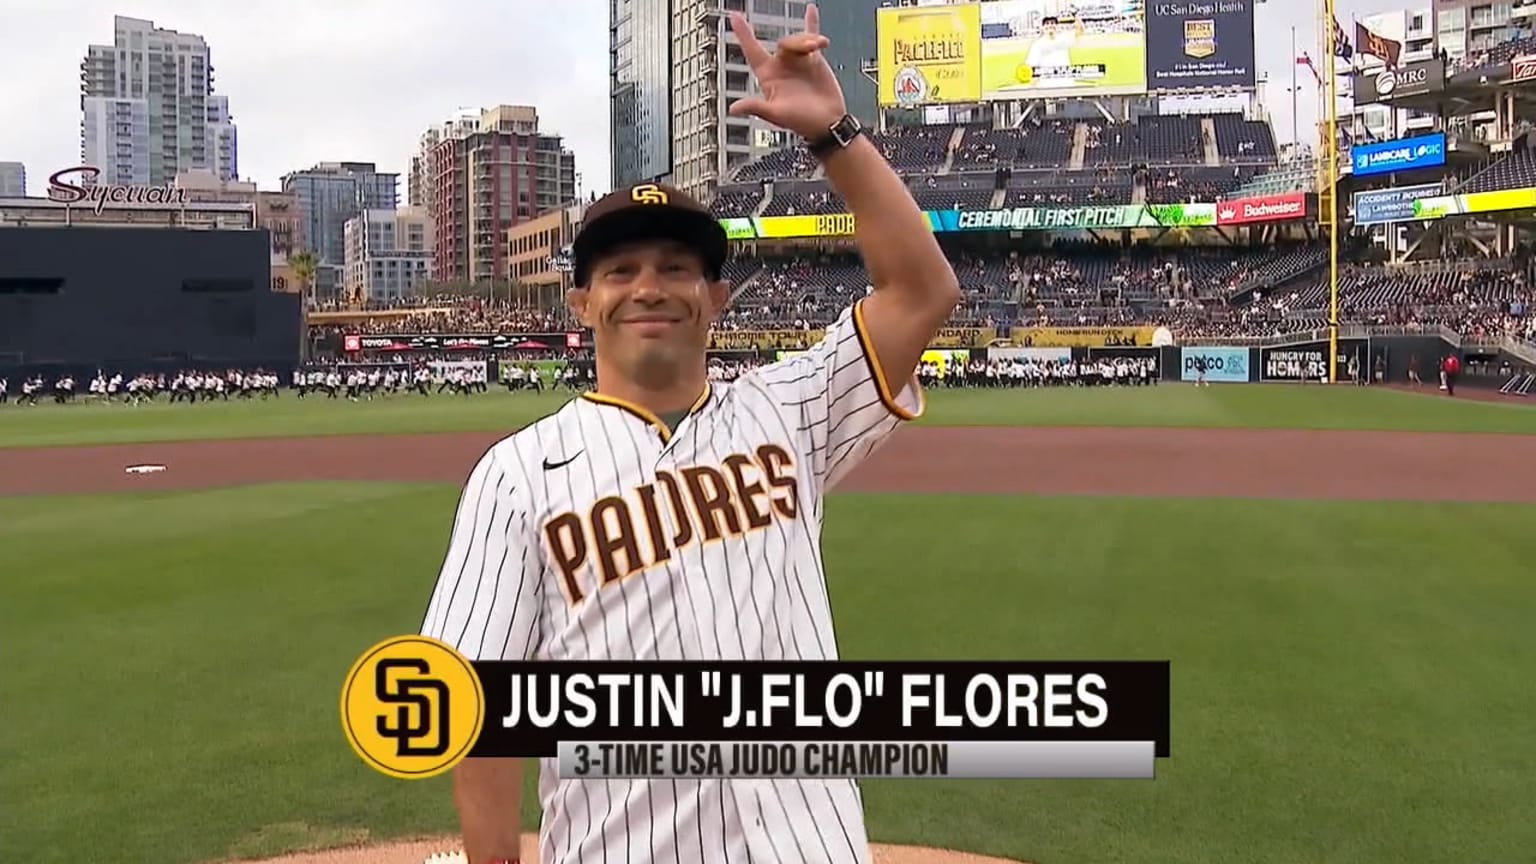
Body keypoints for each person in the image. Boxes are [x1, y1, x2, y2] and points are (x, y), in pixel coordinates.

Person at [416, 6, 961, 864]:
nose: (650, 287)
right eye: (621, 270)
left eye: (677, 268)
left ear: (717, 299)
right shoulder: (518, 476)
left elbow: (921, 293)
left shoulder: (791, 412)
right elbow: (477, 712)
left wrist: (834, 134)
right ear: (582, 304)